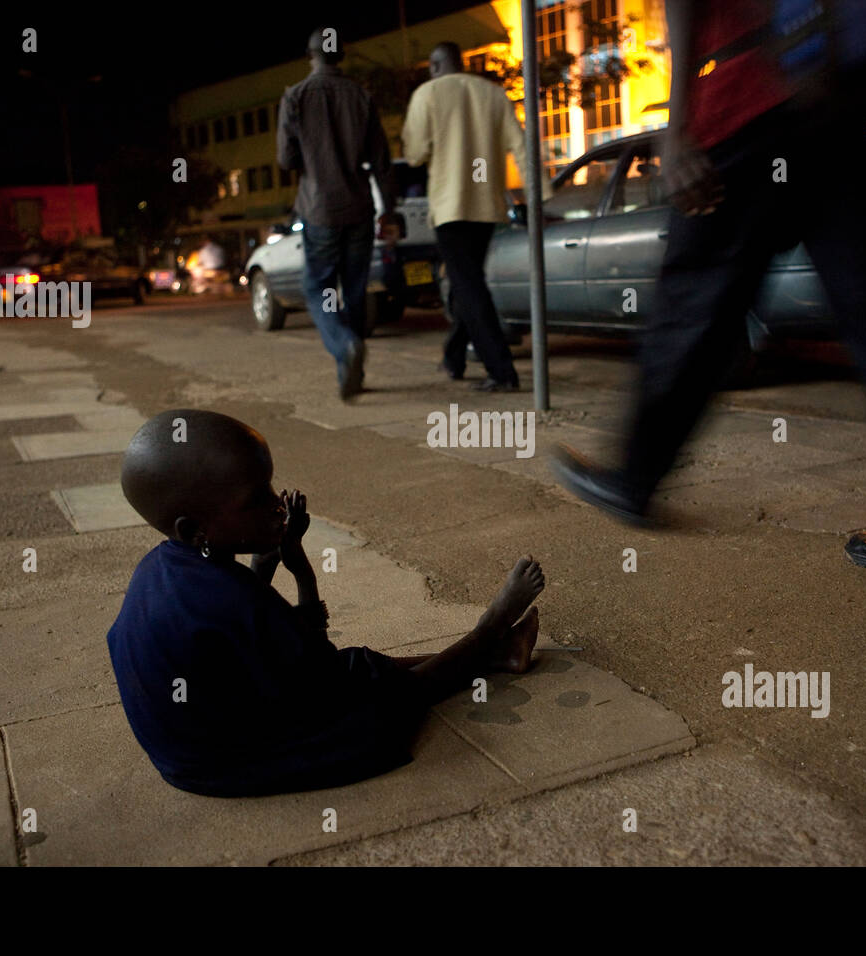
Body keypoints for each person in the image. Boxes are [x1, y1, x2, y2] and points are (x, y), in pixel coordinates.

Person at [551, 1, 866, 586]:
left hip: (744, 111)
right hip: (828, 112)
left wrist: (680, 130)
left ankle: (634, 477)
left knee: (693, 310)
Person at [107, 409, 545, 796]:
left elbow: (251, 625)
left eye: (270, 487)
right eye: (256, 499)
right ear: (193, 529)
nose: (277, 505)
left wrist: (268, 555)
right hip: (232, 763)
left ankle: (501, 655)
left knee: (363, 666)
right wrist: (301, 571)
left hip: (197, 744)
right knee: (381, 703)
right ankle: (491, 629)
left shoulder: (169, 566)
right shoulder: (231, 599)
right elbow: (322, 671)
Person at [402, 42, 545, 392]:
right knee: (469, 284)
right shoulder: (494, 94)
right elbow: (521, 144)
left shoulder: (427, 94)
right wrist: (537, 192)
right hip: (486, 207)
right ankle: (454, 355)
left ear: (435, 65)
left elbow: (415, 153)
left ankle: (501, 371)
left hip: (451, 207)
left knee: (469, 287)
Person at [278, 27, 399, 401]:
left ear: (310, 54)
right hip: (359, 207)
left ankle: (345, 346)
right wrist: (388, 210)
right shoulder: (361, 97)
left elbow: (286, 159)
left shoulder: (295, 97)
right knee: (355, 289)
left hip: (319, 209)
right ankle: (352, 368)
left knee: (319, 288)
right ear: (341, 55)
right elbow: (381, 161)